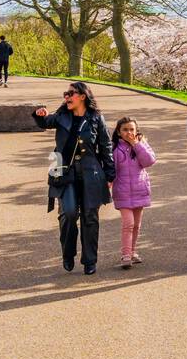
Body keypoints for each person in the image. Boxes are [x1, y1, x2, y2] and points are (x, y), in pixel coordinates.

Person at [33, 81, 116, 274]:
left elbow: (106, 147)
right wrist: (40, 113)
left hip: (91, 173)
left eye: (70, 93)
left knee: (90, 216)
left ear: (83, 96)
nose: (67, 97)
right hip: (62, 170)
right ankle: (68, 254)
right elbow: (45, 122)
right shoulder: (61, 116)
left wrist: (110, 174)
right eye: (65, 93)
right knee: (68, 213)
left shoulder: (96, 118)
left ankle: (90, 260)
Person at [111, 117, 157, 268]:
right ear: (118, 132)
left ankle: (132, 251)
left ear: (137, 131)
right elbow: (111, 169)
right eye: (125, 129)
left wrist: (136, 144)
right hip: (122, 192)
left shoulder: (141, 144)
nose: (128, 132)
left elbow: (149, 161)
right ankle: (125, 255)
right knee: (128, 223)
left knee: (136, 224)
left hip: (139, 190)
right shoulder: (115, 148)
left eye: (131, 129)